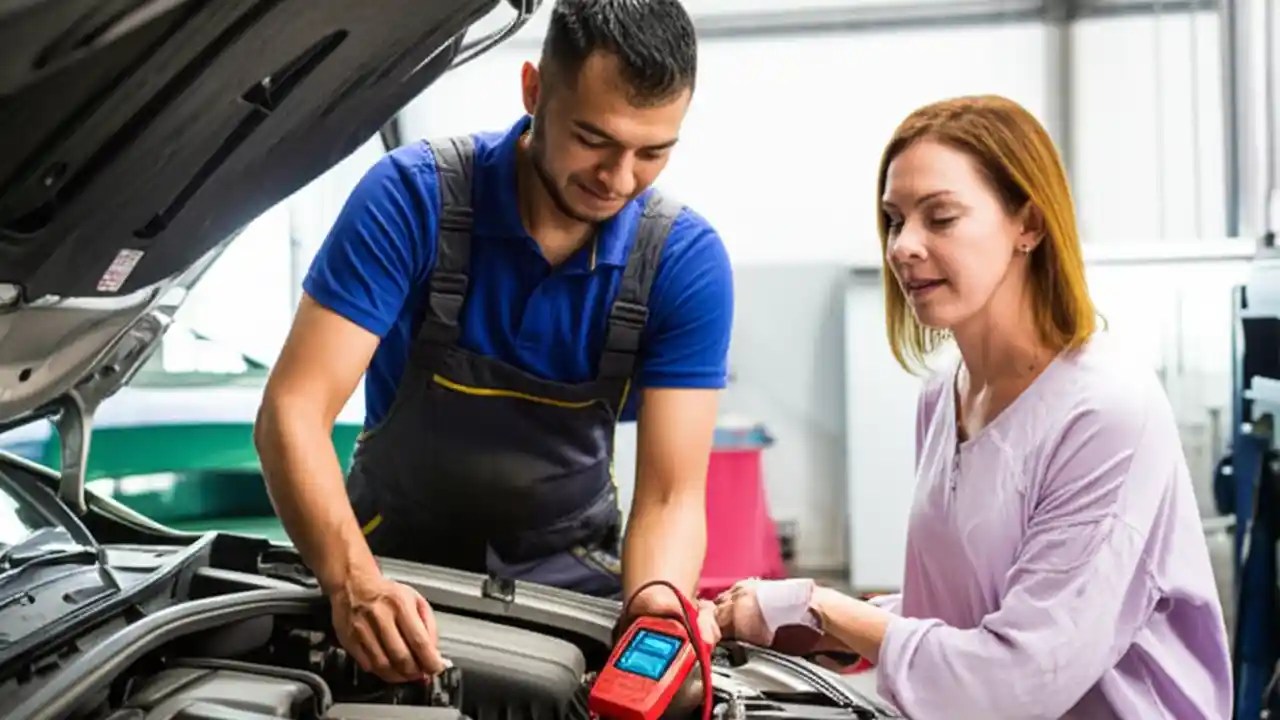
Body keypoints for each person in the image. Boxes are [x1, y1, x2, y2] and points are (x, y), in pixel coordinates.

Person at [254, 0, 730, 685]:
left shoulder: (684, 262)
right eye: (594, 139)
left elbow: (670, 496)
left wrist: (656, 603)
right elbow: (291, 414)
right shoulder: (413, 200)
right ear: (534, 90)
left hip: (571, 588)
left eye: (652, 152)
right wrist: (351, 584)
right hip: (386, 569)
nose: (619, 179)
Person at [713, 95, 1233, 719]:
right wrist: (801, 623)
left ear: (1029, 225)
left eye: (940, 217)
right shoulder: (943, 394)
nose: (903, 246)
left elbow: (1019, 679)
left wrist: (819, 605)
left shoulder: (1104, 409)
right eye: (893, 220)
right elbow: (966, 613)